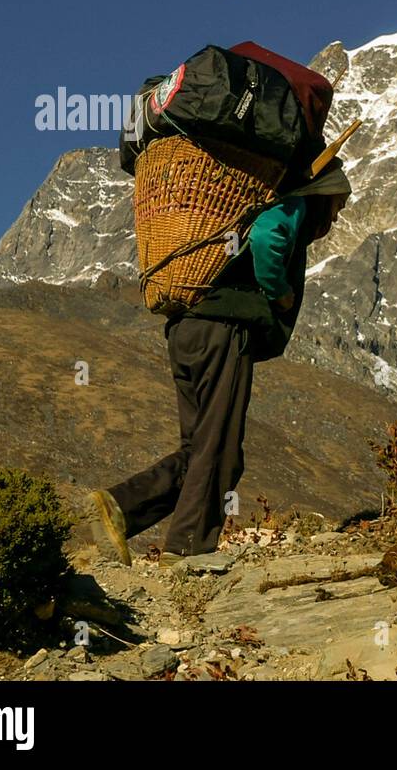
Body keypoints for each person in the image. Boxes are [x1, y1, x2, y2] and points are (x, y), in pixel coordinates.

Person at [87, 44, 347, 568]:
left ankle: (120, 507)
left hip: (184, 324)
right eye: (337, 204)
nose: (337, 214)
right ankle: (189, 550)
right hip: (226, 323)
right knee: (217, 449)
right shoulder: (287, 201)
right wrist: (279, 293)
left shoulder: (241, 190)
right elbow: (272, 239)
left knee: (208, 449)